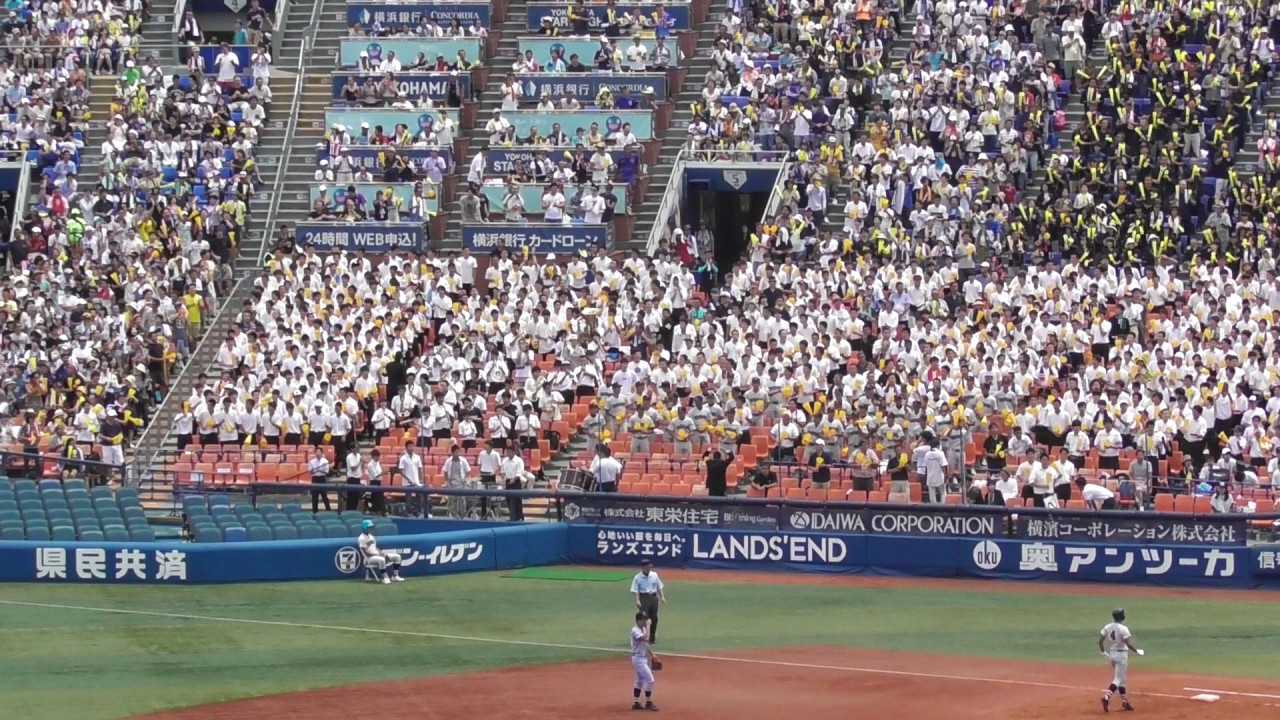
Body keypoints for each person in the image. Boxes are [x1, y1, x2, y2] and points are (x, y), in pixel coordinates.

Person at [1098, 608, 1141, 712]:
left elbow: (1100, 641)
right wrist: (1137, 651)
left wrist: (1103, 652)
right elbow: (1127, 643)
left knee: (1122, 679)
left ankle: (1125, 702)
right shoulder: (1123, 628)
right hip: (1121, 655)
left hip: (1112, 654)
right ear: (1122, 617)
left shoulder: (1107, 627)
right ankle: (1106, 697)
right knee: (1118, 679)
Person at [357, 520, 403, 584]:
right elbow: (365, 552)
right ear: (365, 528)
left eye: (371, 527)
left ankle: (395, 576)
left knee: (397, 557)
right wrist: (378, 554)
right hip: (368, 558)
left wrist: (382, 553)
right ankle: (384, 577)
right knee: (381, 559)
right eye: (369, 527)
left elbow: (375, 547)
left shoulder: (371, 536)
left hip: (377, 555)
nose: (371, 529)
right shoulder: (361, 538)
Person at [630, 559, 665, 643]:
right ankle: (644, 636)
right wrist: (637, 600)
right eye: (648, 567)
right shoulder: (637, 577)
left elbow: (659, 586)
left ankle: (652, 638)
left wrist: (662, 596)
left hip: (653, 598)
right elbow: (635, 590)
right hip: (644, 598)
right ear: (643, 567)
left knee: (654, 619)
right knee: (645, 618)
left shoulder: (654, 575)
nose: (649, 568)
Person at [630, 611, 659, 712]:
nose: (646, 621)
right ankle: (648, 702)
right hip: (638, 659)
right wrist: (649, 626)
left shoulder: (642, 629)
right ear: (638, 620)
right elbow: (646, 638)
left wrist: (652, 654)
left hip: (642, 658)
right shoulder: (635, 630)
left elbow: (645, 645)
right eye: (644, 619)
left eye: (646, 619)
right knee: (650, 680)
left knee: (639, 681)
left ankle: (636, 702)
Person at [499, 445, 527, 521]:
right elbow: (503, 471)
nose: (508, 453)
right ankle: (512, 517)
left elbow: (519, 472)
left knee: (517, 500)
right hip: (508, 481)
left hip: (516, 481)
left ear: (514, 452)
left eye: (509, 451)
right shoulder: (504, 460)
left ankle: (520, 517)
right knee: (508, 500)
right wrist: (504, 479)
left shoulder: (519, 460)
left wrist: (514, 479)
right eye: (507, 451)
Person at [923, 439, 949, 504]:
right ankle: (943, 507)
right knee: (943, 493)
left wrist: (926, 476)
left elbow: (925, 466)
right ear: (938, 445)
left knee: (932, 494)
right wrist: (946, 476)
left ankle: (933, 508)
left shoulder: (927, 454)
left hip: (930, 477)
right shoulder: (940, 453)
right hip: (940, 476)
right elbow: (944, 465)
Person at [308, 446, 332, 512]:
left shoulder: (325, 461)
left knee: (324, 496)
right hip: (315, 479)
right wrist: (316, 470)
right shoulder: (312, 462)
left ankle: (328, 510)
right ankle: (315, 511)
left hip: (322, 479)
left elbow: (326, 472)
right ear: (315, 453)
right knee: (314, 496)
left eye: (319, 452)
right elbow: (310, 471)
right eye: (316, 452)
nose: (318, 453)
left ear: (322, 453)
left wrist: (319, 470)